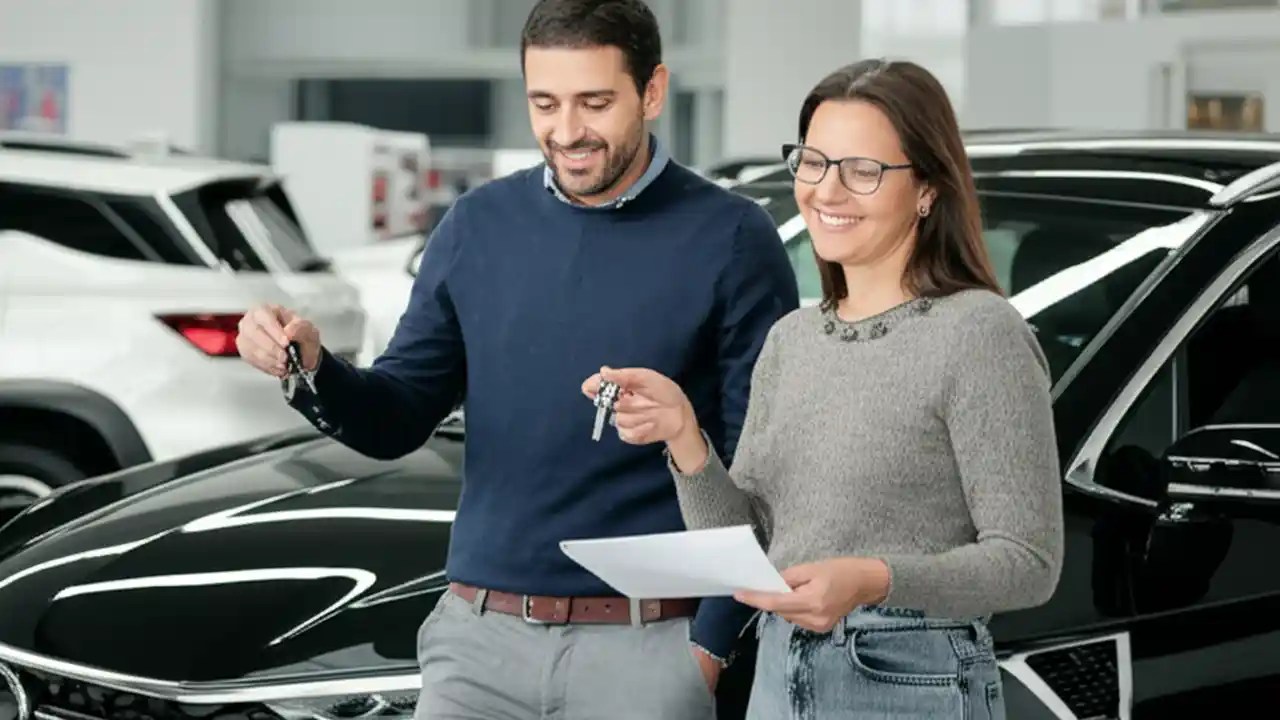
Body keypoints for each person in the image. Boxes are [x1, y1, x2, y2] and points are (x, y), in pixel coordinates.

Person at [234, 1, 799, 718]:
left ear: (652, 91)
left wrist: (709, 650)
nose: (567, 131)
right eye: (545, 103)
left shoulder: (733, 239)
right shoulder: (476, 225)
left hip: (650, 649)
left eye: (595, 102)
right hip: (477, 646)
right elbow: (398, 414)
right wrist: (311, 368)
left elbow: (769, 473)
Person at [583, 58, 1064, 719]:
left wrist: (874, 578)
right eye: (812, 162)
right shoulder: (793, 340)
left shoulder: (980, 333)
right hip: (780, 674)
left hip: (909, 680)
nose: (826, 191)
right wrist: (685, 438)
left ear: (926, 187)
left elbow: (1028, 561)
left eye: (862, 171)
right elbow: (749, 545)